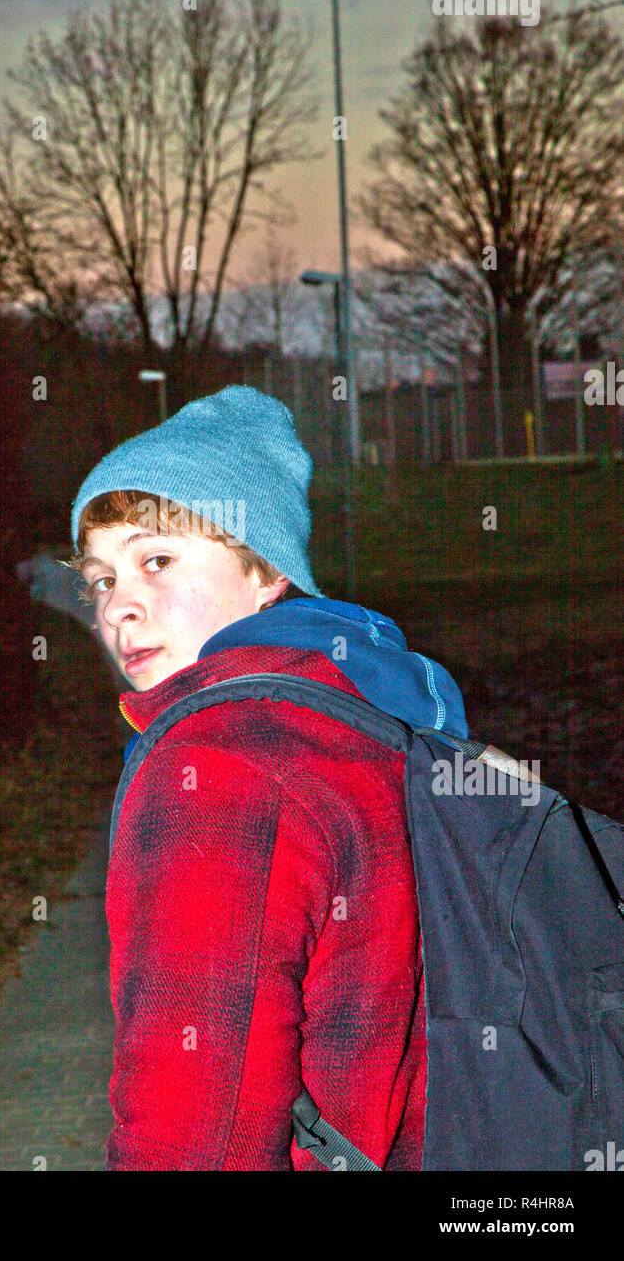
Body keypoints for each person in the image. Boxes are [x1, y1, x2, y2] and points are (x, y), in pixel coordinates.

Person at [64, 384, 468, 1171]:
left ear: (266, 573)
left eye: (156, 559)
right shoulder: (370, 715)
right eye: (102, 579)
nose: (121, 607)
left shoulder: (215, 761)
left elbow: (197, 1124)